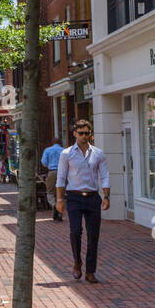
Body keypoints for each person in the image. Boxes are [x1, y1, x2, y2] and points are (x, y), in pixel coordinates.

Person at [56, 119, 110, 283]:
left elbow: (105, 176)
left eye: (87, 133)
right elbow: (61, 177)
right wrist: (59, 199)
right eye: (81, 133)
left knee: (93, 235)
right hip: (74, 197)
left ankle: (90, 271)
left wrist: (106, 196)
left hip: (93, 197)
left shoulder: (98, 154)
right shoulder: (66, 154)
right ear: (74, 134)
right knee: (75, 231)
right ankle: (77, 262)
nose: (84, 136)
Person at [41, 135, 64, 221]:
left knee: (50, 192)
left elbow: (43, 162)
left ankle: (54, 205)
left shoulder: (47, 150)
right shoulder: (63, 150)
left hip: (52, 172)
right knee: (61, 193)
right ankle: (60, 214)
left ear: (53, 142)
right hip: (62, 173)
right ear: (60, 143)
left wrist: (49, 165)